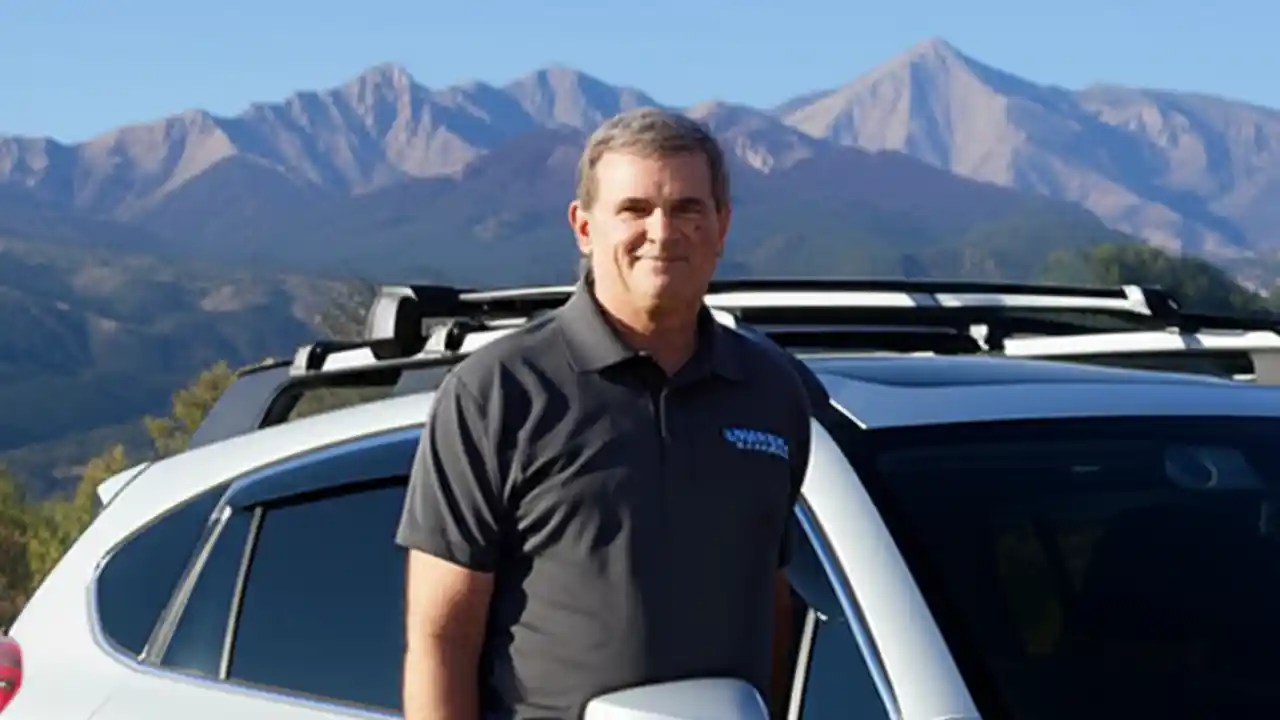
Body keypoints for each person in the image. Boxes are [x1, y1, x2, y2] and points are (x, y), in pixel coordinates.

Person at [396, 107, 814, 720]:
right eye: (635, 209)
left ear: (722, 226)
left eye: (688, 209)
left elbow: (775, 601)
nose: (662, 232)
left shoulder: (772, 391)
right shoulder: (500, 393)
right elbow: (441, 639)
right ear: (584, 227)